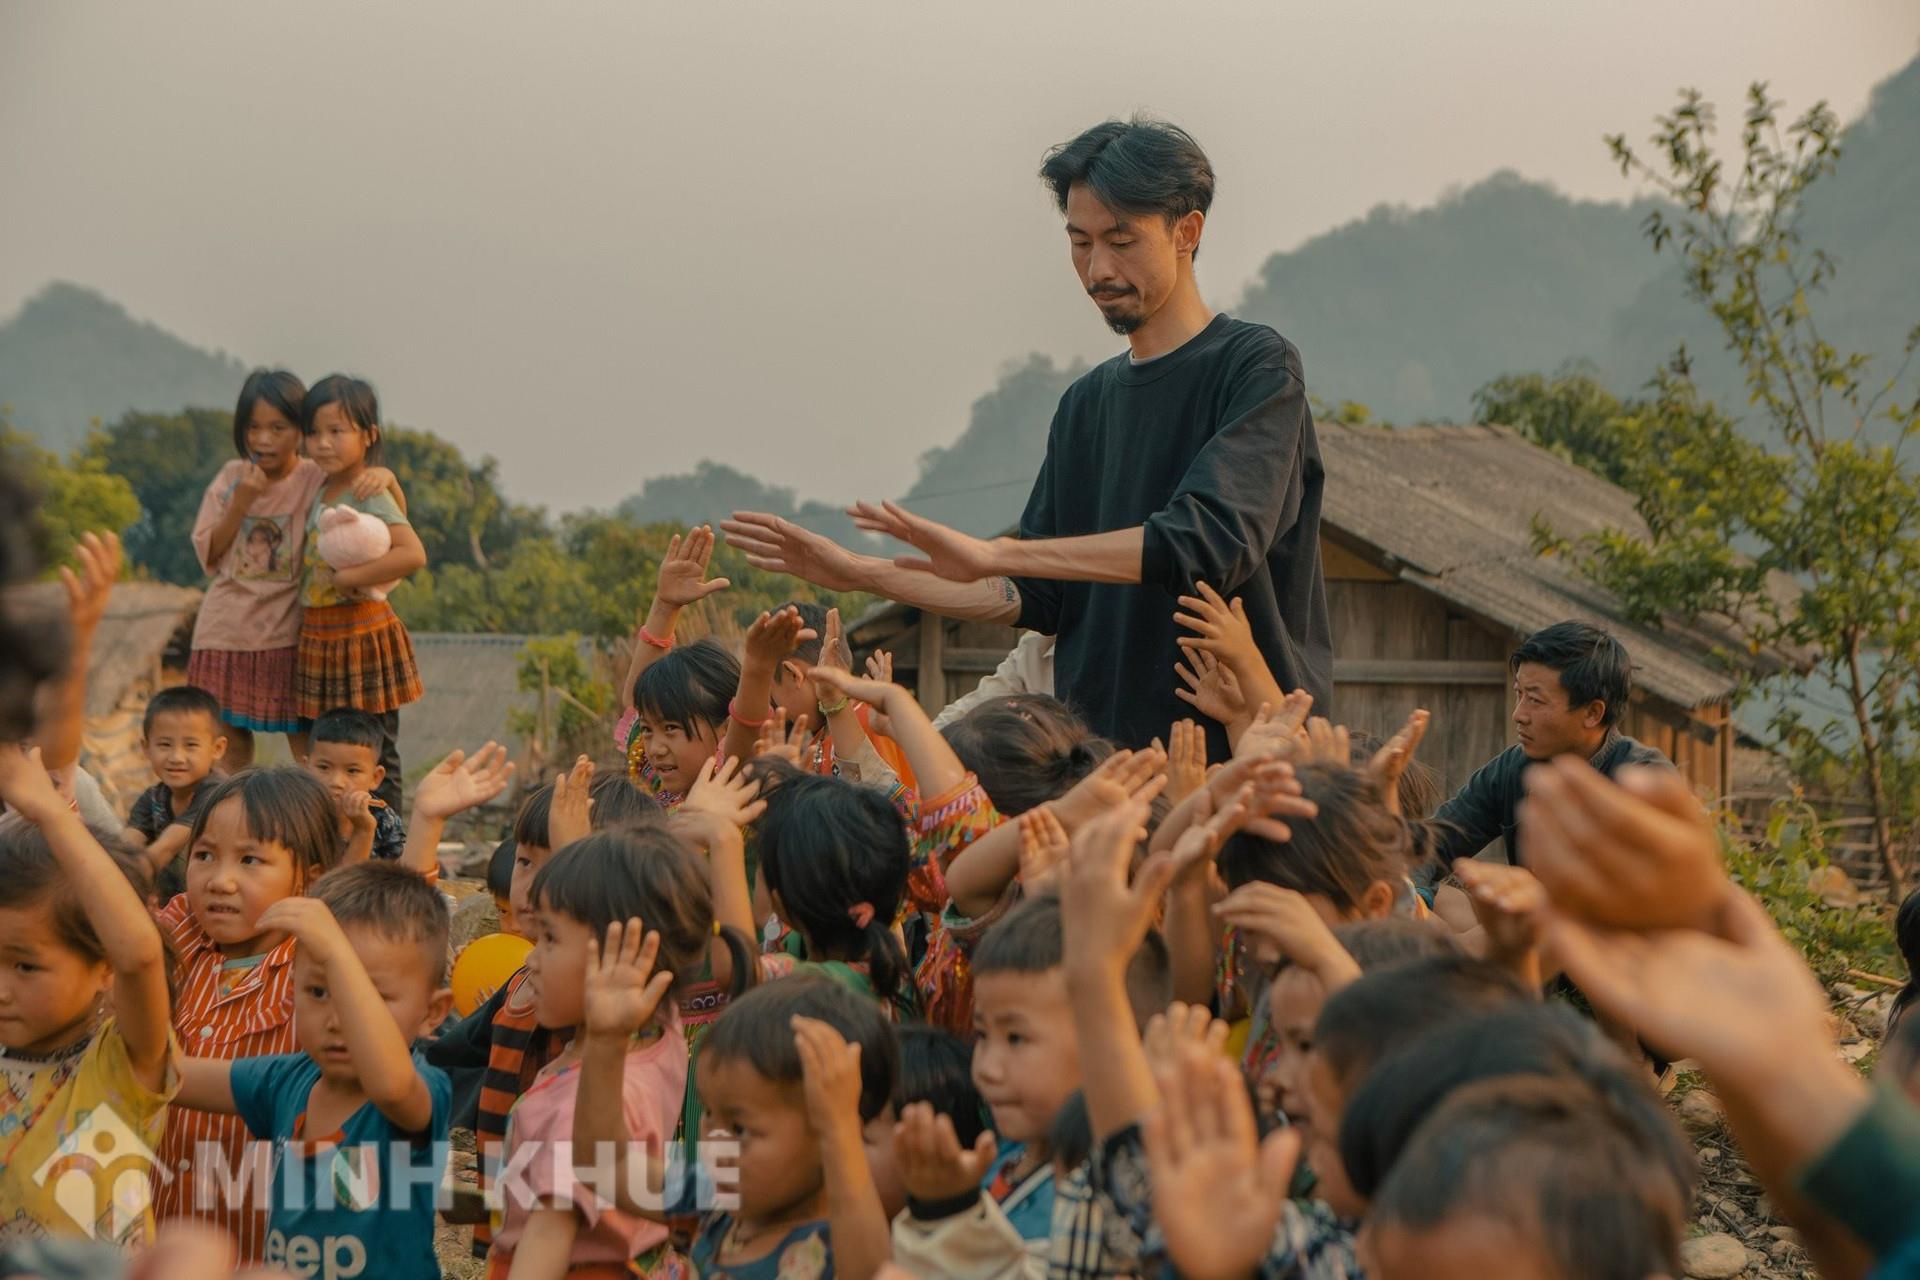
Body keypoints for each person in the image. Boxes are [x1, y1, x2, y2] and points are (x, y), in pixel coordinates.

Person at [726, 116, 1331, 756]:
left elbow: (1207, 541)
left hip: (1243, 763)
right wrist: (861, 571)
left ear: (1187, 231)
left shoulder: (1256, 366)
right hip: (1097, 770)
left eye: (1121, 241)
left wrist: (1000, 553)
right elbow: (1036, 596)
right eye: (1080, 242)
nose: (1098, 268)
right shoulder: (1084, 407)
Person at [173, 863, 454, 1280]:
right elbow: (166, 1076)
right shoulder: (287, 1081)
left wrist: (336, 955)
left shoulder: (422, 1089)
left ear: (432, 1013)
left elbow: (391, 1088)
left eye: (365, 995)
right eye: (319, 991)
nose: (338, 1019)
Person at [151, 766, 345, 1261]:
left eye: (251, 859)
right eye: (204, 855)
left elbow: (392, 943)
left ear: (311, 878)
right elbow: (107, 930)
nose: (220, 880)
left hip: (259, 1243)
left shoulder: (318, 972)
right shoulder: (179, 935)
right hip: (157, 1226)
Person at [0, 745, 177, 1252]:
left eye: (25, 965)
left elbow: (141, 956)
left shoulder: (120, 1068)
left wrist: (53, 813)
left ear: (103, 967)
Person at [186, 370, 400, 764]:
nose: (263, 439)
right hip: (224, 633)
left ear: (300, 431)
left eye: (278, 427)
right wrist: (241, 502)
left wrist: (385, 475)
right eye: (253, 427)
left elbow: (359, 485)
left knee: (308, 753)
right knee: (227, 753)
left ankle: (309, 823)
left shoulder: (313, 476)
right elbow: (210, 554)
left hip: (287, 639)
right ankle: (229, 823)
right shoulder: (232, 478)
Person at [1417, 621, 1672, 890]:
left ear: (1592, 713)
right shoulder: (1512, 768)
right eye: (1519, 694)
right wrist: (1415, 898)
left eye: (1535, 701)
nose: (1518, 714)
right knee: (1440, 900)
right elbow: (1431, 842)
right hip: (1530, 920)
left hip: (1607, 927)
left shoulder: (1645, 780)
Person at [293, 375, 427, 810]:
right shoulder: (322, 486)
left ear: (369, 436)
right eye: (314, 432)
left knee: (374, 750)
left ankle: (388, 850)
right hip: (323, 638)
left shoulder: (367, 489)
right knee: (329, 751)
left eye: (337, 431)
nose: (323, 443)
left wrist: (350, 579)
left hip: (361, 637)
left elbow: (411, 553)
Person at [126, 685, 229, 899]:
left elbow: (164, 849)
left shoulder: (218, 793)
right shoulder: (153, 798)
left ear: (217, 748)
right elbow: (127, 845)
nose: (176, 757)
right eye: (164, 744)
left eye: (190, 745)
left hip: (221, 892)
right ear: (146, 748)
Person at [302, 707, 407, 863]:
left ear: (375, 778)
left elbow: (395, 875)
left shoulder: (383, 819)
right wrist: (362, 833)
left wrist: (364, 828)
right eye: (324, 768)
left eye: (352, 771)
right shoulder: (296, 816)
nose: (336, 782)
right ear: (306, 768)